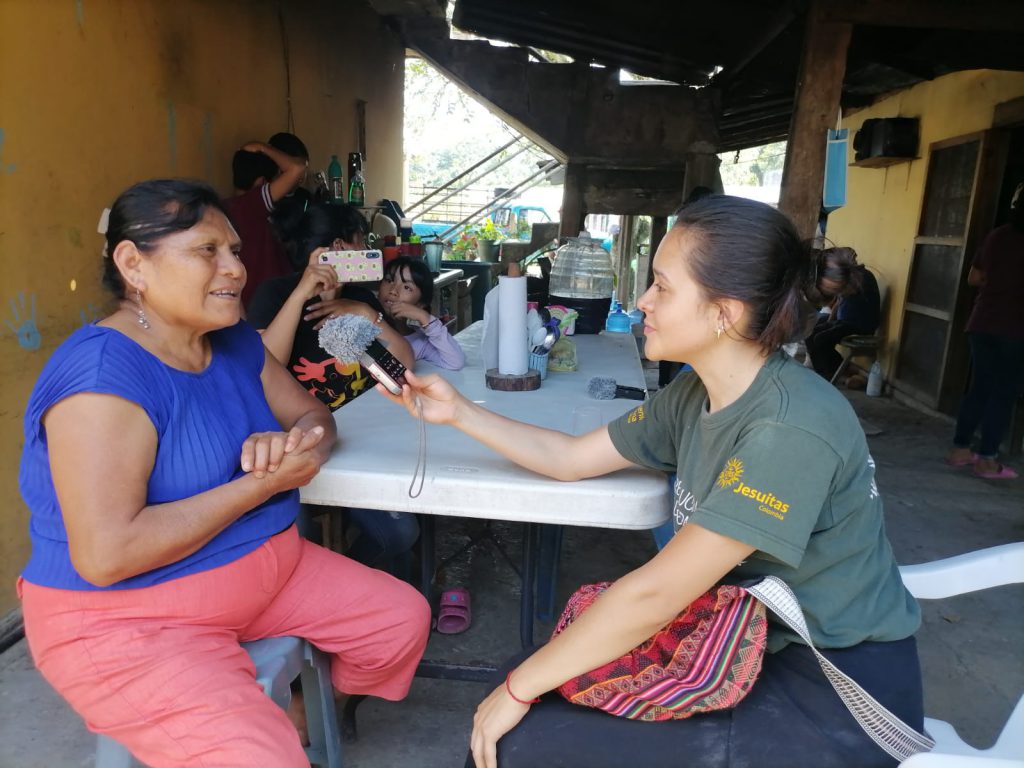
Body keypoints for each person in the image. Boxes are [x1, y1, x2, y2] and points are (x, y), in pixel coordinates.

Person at [381, 195, 922, 768]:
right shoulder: (698, 393)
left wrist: (518, 688)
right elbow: (568, 457)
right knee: (539, 681)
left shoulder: (788, 427)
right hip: (743, 643)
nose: (642, 302)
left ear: (725, 312)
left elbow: (656, 595)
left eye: (662, 287)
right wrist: (459, 411)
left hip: (832, 691)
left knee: (520, 732)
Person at [17, 179, 430, 767]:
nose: (234, 268)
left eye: (234, 250)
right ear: (134, 263)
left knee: (400, 622)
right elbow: (107, 554)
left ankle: (304, 717)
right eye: (207, 251)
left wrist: (299, 443)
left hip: (265, 576)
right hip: (131, 618)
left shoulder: (232, 339)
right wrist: (261, 484)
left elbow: (313, 413)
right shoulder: (102, 374)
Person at [247, 204, 424, 575]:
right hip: (305, 443)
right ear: (342, 246)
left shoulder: (362, 297)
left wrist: (363, 313)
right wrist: (301, 295)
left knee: (399, 533)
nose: (366, 250)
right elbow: (265, 367)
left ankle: (339, 577)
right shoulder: (275, 294)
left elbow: (404, 363)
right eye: (363, 242)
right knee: (300, 533)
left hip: (365, 441)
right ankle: (332, 585)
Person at [946, 182, 1024, 480]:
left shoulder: (998, 236)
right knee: (1003, 393)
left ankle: (960, 450)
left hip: (982, 322)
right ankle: (987, 460)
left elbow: (974, 277)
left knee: (979, 387)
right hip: (1015, 328)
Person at [223, 139, 307, 307]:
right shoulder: (253, 203)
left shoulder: (222, 208)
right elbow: (297, 167)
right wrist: (262, 147)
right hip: (266, 303)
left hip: (243, 301)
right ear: (261, 183)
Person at [376, 256, 466, 371]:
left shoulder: (419, 342)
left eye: (407, 287)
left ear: (420, 304)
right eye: (389, 280)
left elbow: (456, 362)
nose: (393, 290)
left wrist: (424, 317)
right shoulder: (363, 322)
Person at [804, 251, 880, 381]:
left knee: (820, 338)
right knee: (810, 331)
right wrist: (827, 322)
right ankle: (839, 369)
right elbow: (838, 303)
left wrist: (828, 324)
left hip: (859, 325)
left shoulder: (862, 277)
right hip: (844, 322)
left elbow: (841, 297)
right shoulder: (848, 277)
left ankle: (830, 374)